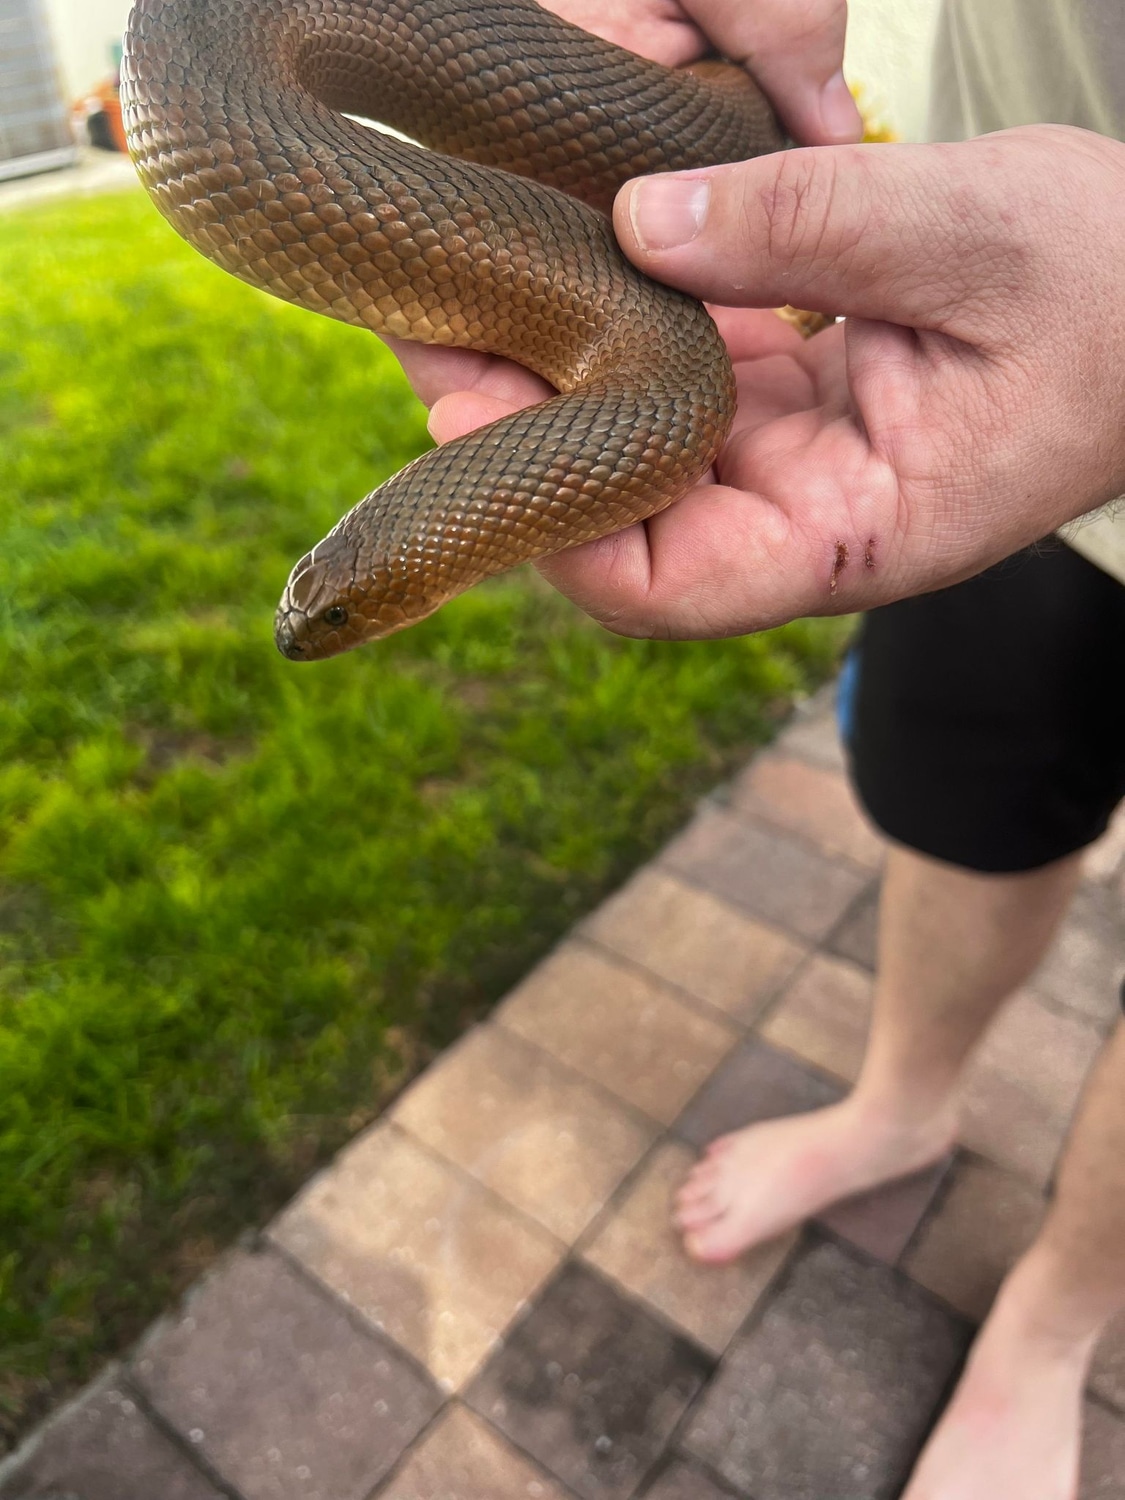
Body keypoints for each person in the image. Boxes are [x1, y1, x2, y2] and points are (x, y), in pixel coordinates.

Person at [388, 3, 1125, 1495]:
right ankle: (898, 1108)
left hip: (1030, 300)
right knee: (957, 798)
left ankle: (1054, 1322)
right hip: (959, 322)